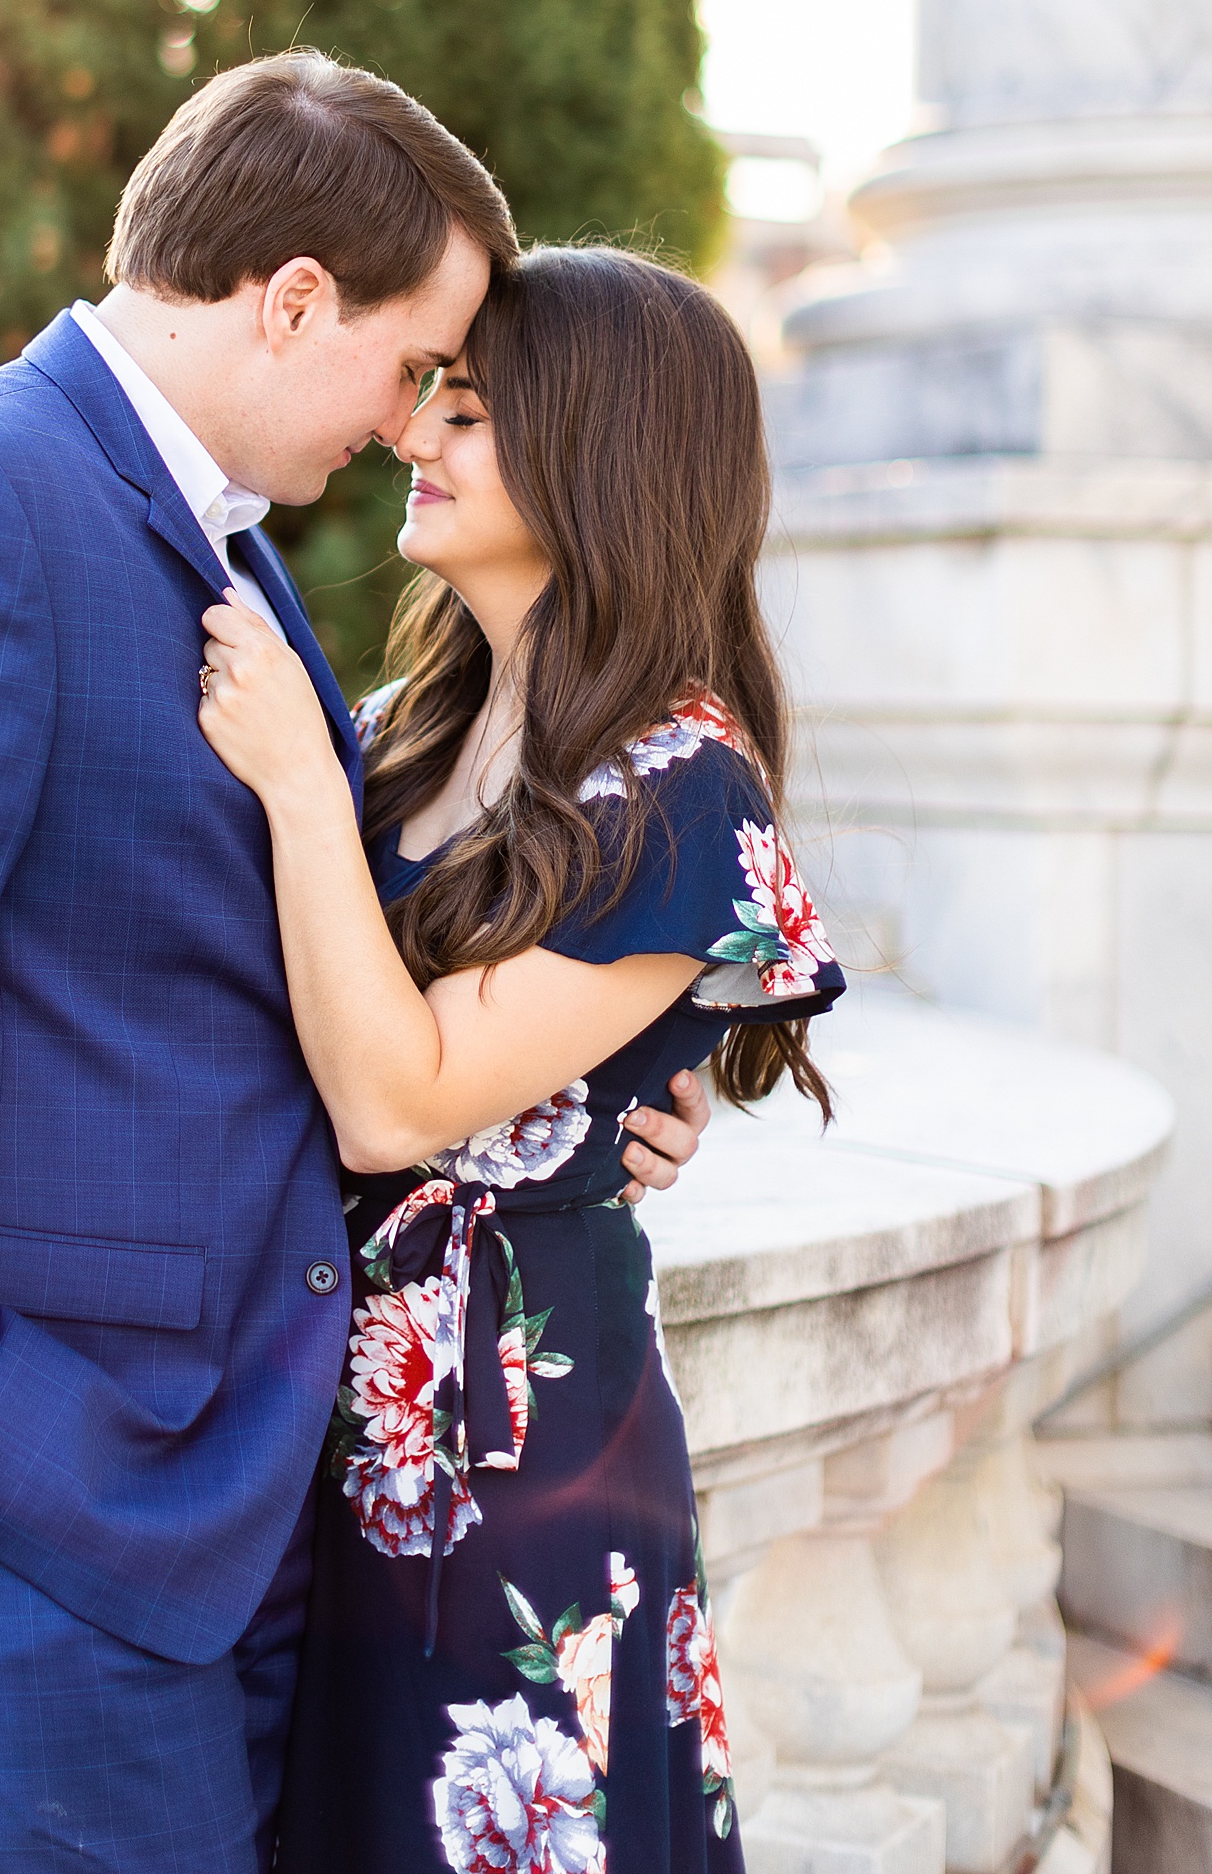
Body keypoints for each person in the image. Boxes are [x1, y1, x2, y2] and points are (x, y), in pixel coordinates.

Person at [0, 54, 710, 1874]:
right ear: (291, 298)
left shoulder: (222, 551)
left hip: (238, 1508)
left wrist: (607, 1084)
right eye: (414, 368)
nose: (412, 425)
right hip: (44, 1516)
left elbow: (355, 959)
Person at [197, 243, 844, 1873]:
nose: (414, 438)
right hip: (310, 1421)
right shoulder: (414, 722)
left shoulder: (685, 783)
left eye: (467, 413)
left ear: (595, 455)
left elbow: (392, 1095)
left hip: (517, 1475)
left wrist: (287, 780)